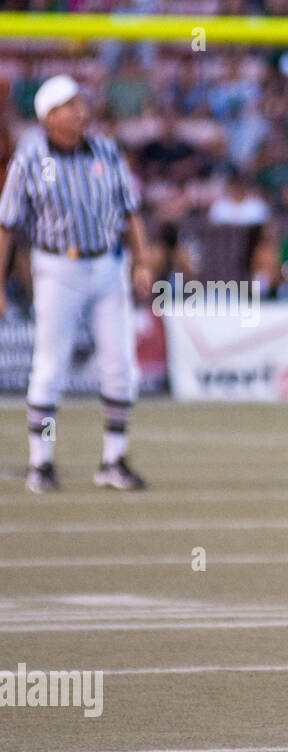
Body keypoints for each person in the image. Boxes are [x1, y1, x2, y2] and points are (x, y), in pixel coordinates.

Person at [0, 75, 152, 493]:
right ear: (49, 115)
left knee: (119, 363)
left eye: (81, 103)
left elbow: (130, 209)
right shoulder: (29, 159)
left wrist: (142, 259)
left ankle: (113, 458)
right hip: (57, 267)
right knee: (51, 367)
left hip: (106, 264)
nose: (80, 111)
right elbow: (7, 226)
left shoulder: (105, 149)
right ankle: (41, 460)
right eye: (69, 106)